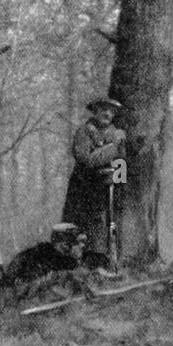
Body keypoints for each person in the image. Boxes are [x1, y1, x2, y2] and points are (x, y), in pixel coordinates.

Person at [61, 98, 126, 263]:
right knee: (77, 232)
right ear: (95, 111)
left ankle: (104, 262)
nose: (107, 113)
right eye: (103, 109)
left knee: (107, 228)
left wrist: (118, 184)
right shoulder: (84, 132)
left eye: (111, 111)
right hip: (83, 191)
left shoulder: (117, 134)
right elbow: (88, 160)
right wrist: (113, 147)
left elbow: (121, 163)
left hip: (107, 191)